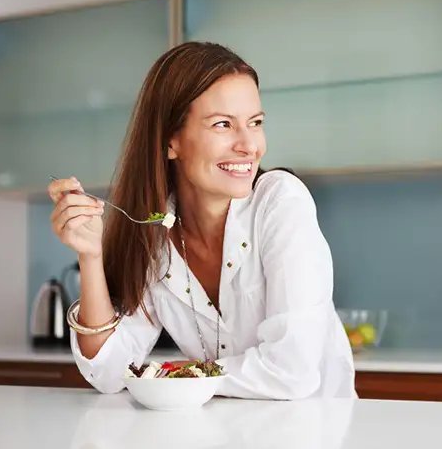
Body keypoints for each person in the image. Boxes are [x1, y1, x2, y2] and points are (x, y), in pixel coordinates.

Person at [47, 41, 356, 400]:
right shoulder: (155, 234)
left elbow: (292, 371)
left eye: (255, 123)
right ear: (169, 142)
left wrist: (173, 377)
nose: (249, 145)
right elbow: (110, 371)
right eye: (223, 124)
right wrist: (90, 255)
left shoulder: (281, 202)